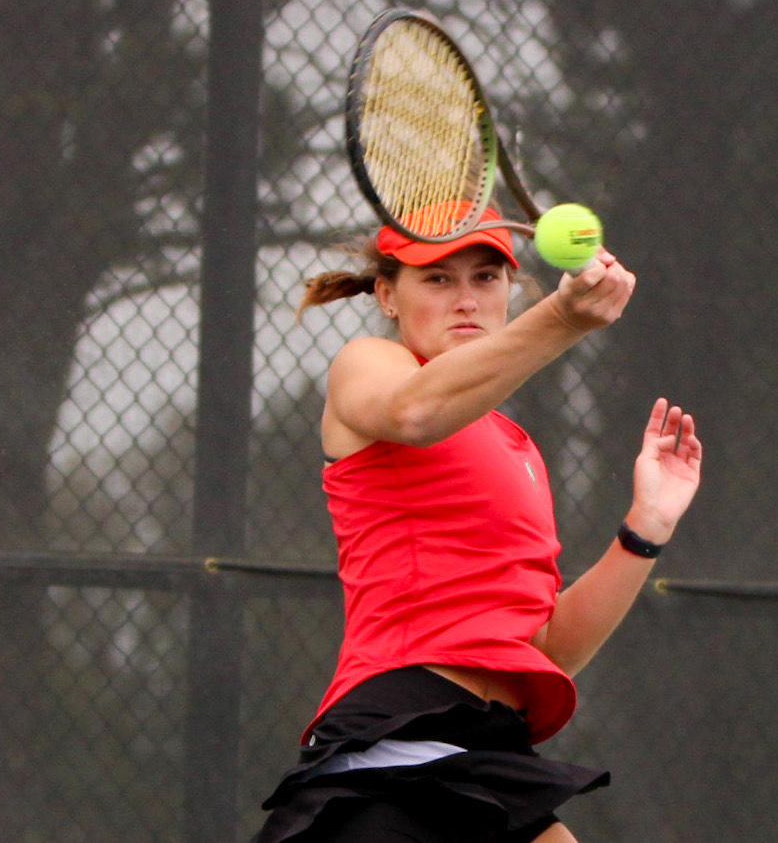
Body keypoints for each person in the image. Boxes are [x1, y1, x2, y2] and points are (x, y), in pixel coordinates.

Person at [254, 202, 702, 843]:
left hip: (488, 749)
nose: (466, 298)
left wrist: (646, 527)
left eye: (486, 277)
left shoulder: (518, 450)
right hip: (396, 743)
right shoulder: (370, 366)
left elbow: (544, 649)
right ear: (387, 294)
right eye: (437, 279)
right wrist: (562, 319)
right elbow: (414, 414)